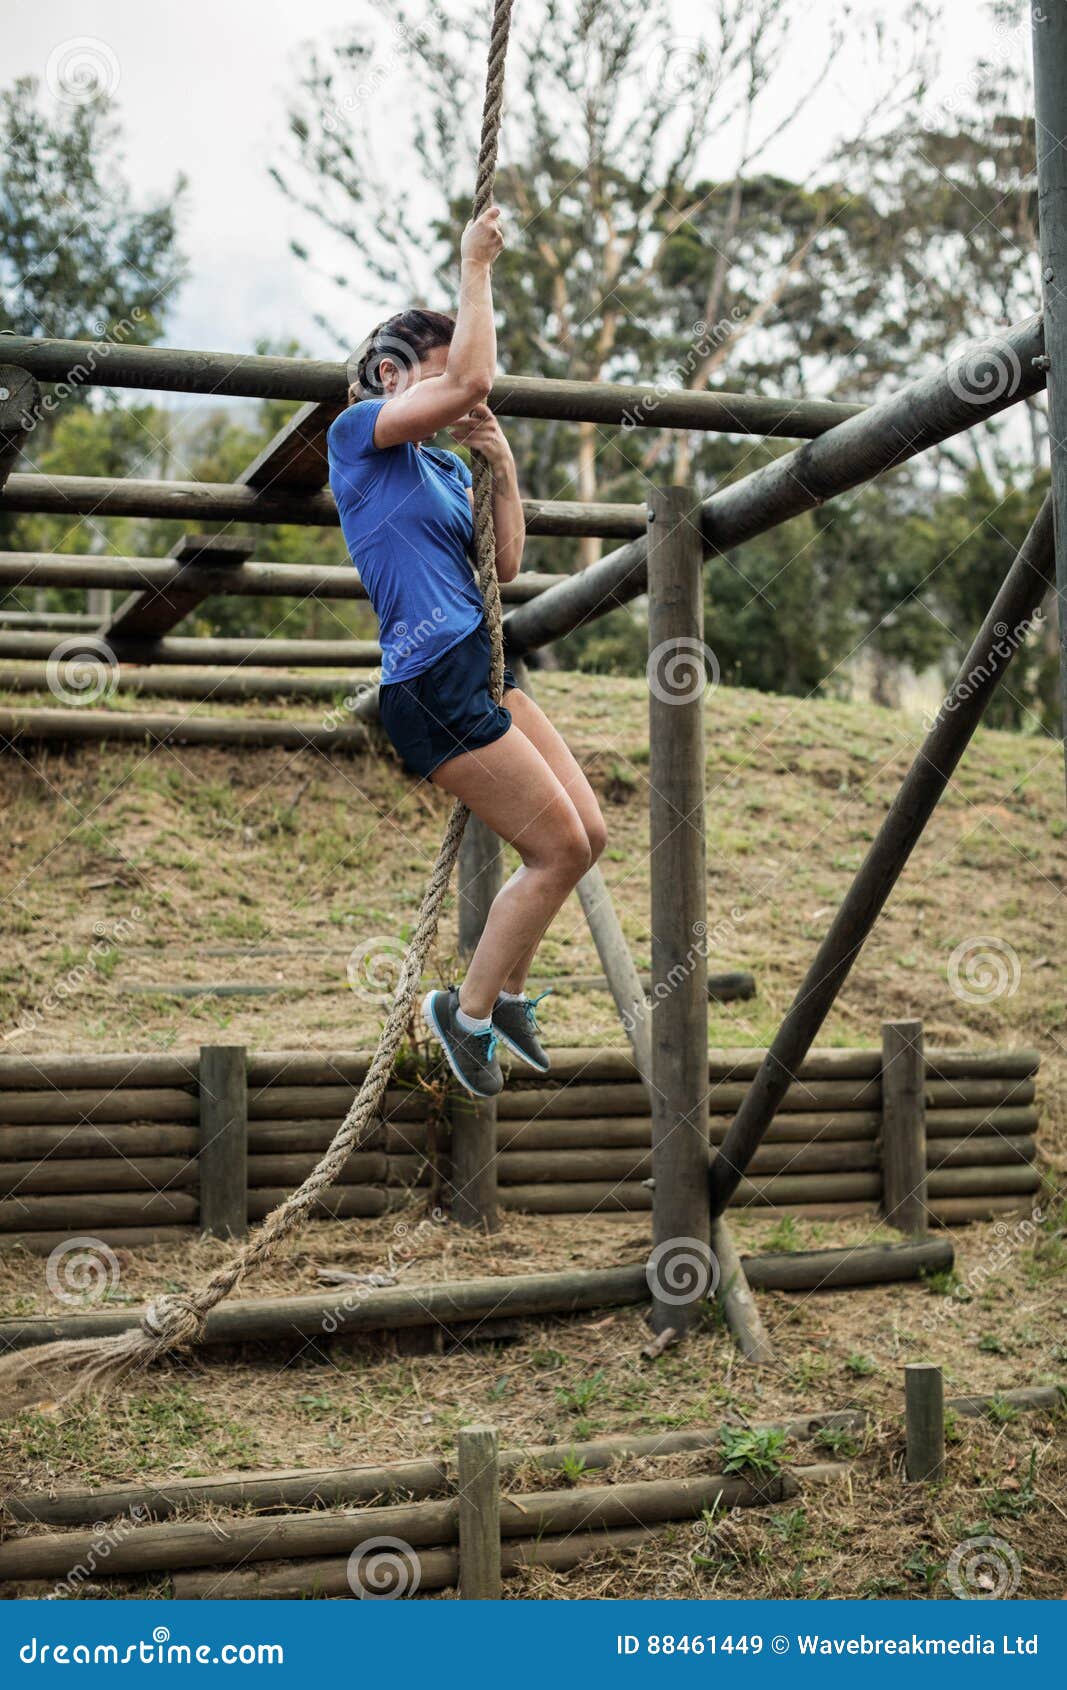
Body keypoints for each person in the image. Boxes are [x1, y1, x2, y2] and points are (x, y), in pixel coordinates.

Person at [328, 207, 607, 1100]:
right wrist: (473, 267)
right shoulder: (359, 437)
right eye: (445, 381)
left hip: (481, 658)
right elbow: (476, 371)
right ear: (390, 374)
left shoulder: (446, 470)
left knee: (588, 835)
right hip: (429, 678)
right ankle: (469, 1011)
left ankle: (510, 994)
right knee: (555, 849)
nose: (469, 396)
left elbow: (508, 565)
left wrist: (504, 465)